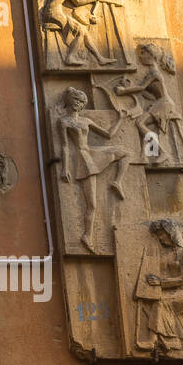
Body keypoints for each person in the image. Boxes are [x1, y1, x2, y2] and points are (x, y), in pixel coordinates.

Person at [55, 87, 128, 253]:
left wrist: (120, 119)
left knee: (125, 152)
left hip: (92, 153)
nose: (77, 104)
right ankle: (87, 236)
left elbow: (108, 135)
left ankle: (117, 181)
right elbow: (65, 146)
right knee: (92, 205)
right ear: (69, 101)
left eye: (80, 102)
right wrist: (65, 168)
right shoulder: (63, 122)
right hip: (82, 159)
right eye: (75, 100)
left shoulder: (86, 121)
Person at [133, 219, 183, 354]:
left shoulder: (182, 253)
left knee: (162, 302)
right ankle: (162, 340)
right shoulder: (166, 253)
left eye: (162, 235)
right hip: (176, 292)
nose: (160, 238)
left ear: (171, 233)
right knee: (158, 300)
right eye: (158, 236)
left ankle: (163, 340)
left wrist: (161, 282)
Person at [110, 42, 183, 165]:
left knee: (140, 123)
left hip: (164, 103)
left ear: (151, 55)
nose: (140, 56)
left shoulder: (154, 73)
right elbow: (148, 94)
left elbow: (141, 88)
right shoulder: (150, 74)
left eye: (143, 53)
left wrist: (124, 91)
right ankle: (144, 157)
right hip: (160, 102)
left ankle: (162, 153)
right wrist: (130, 88)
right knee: (141, 123)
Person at [40, 0, 117, 66]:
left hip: (51, 12)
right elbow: (77, 2)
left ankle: (99, 58)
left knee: (83, 31)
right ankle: (70, 57)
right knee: (80, 31)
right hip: (54, 13)